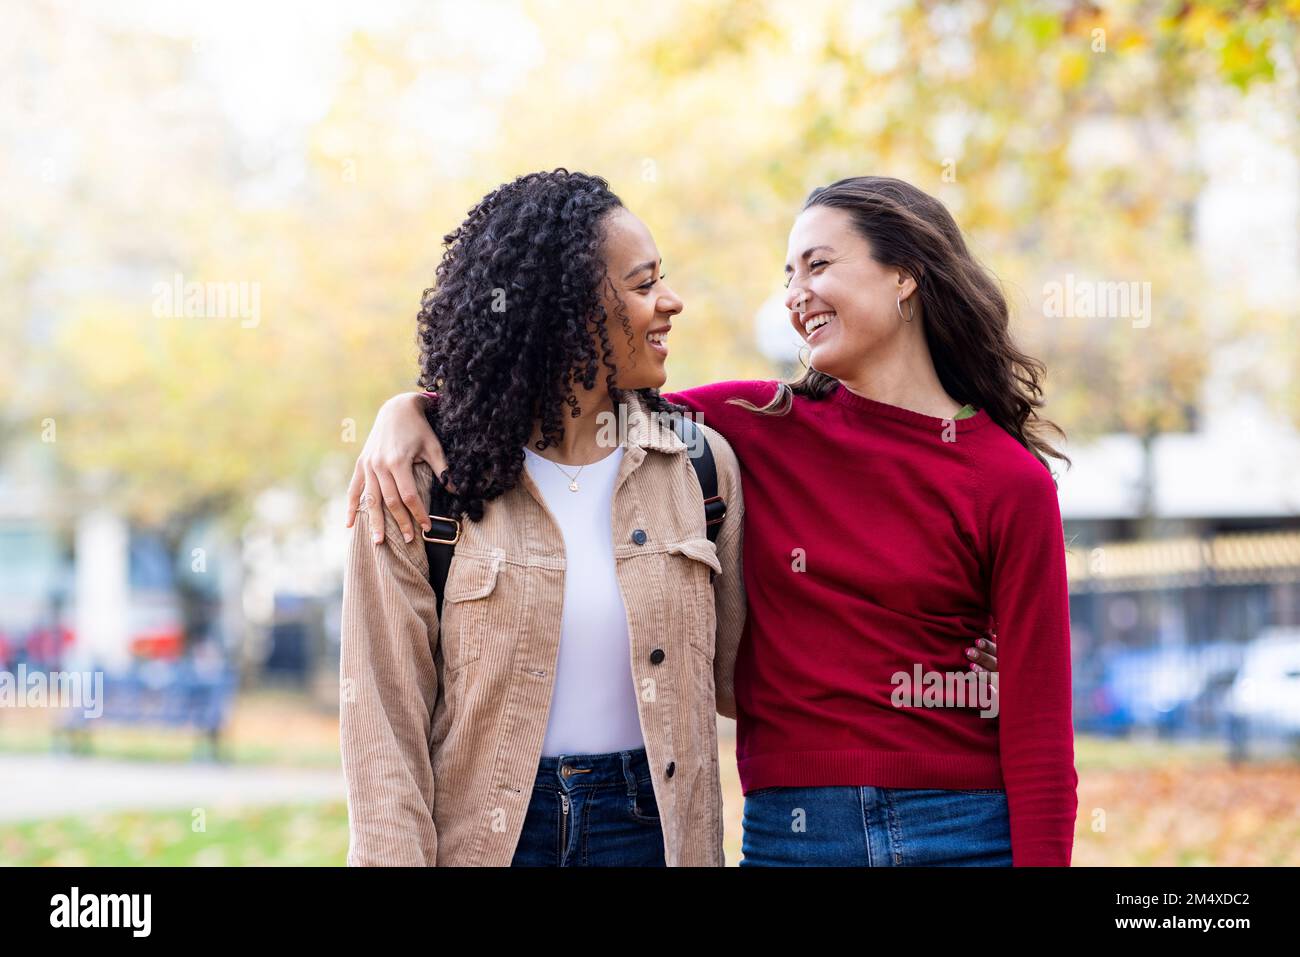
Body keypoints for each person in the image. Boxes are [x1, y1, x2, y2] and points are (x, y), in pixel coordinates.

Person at [349, 174, 1036, 866]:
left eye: (818, 264)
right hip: (487, 836)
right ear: (567, 310)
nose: (671, 301)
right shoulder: (422, 484)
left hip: (658, 832)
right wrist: (409, 407)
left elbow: (752, 673)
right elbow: (383, 734)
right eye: (645, 283)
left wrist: (962, 682)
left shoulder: (699, 463)